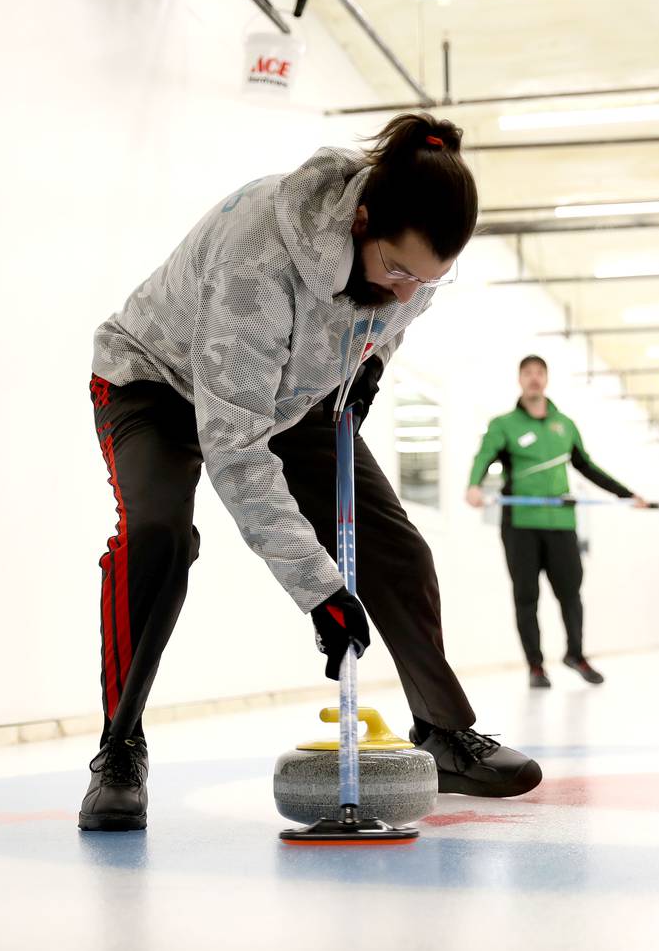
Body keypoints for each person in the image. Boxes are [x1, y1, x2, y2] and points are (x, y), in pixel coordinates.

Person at [82, 114, 542, 831]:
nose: (405, 291)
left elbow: (396, 315)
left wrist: (372, 370)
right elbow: (236, 447)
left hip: (296, 391)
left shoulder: (406, 258)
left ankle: (444, 733)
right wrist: (320, 590)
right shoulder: (257, 262)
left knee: (399, 550)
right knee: (161, 536)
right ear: (361, 220)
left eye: (425, 279)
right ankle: (118, 748)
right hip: (155, 380)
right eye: (397, 269)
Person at [465, 355, 653, 688]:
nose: (534, 379)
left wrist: (627, 494)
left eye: (540, 373)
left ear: (546, 379)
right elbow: (484, 456)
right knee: (526, 596)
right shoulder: (503, 425)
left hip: (562, 524)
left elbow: (587, 466)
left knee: (571, 593)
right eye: (528, 373)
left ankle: (576, 655)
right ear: (520, 379)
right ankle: (535, 667)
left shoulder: (564, 424)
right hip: (521, 524)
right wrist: (474, 485)